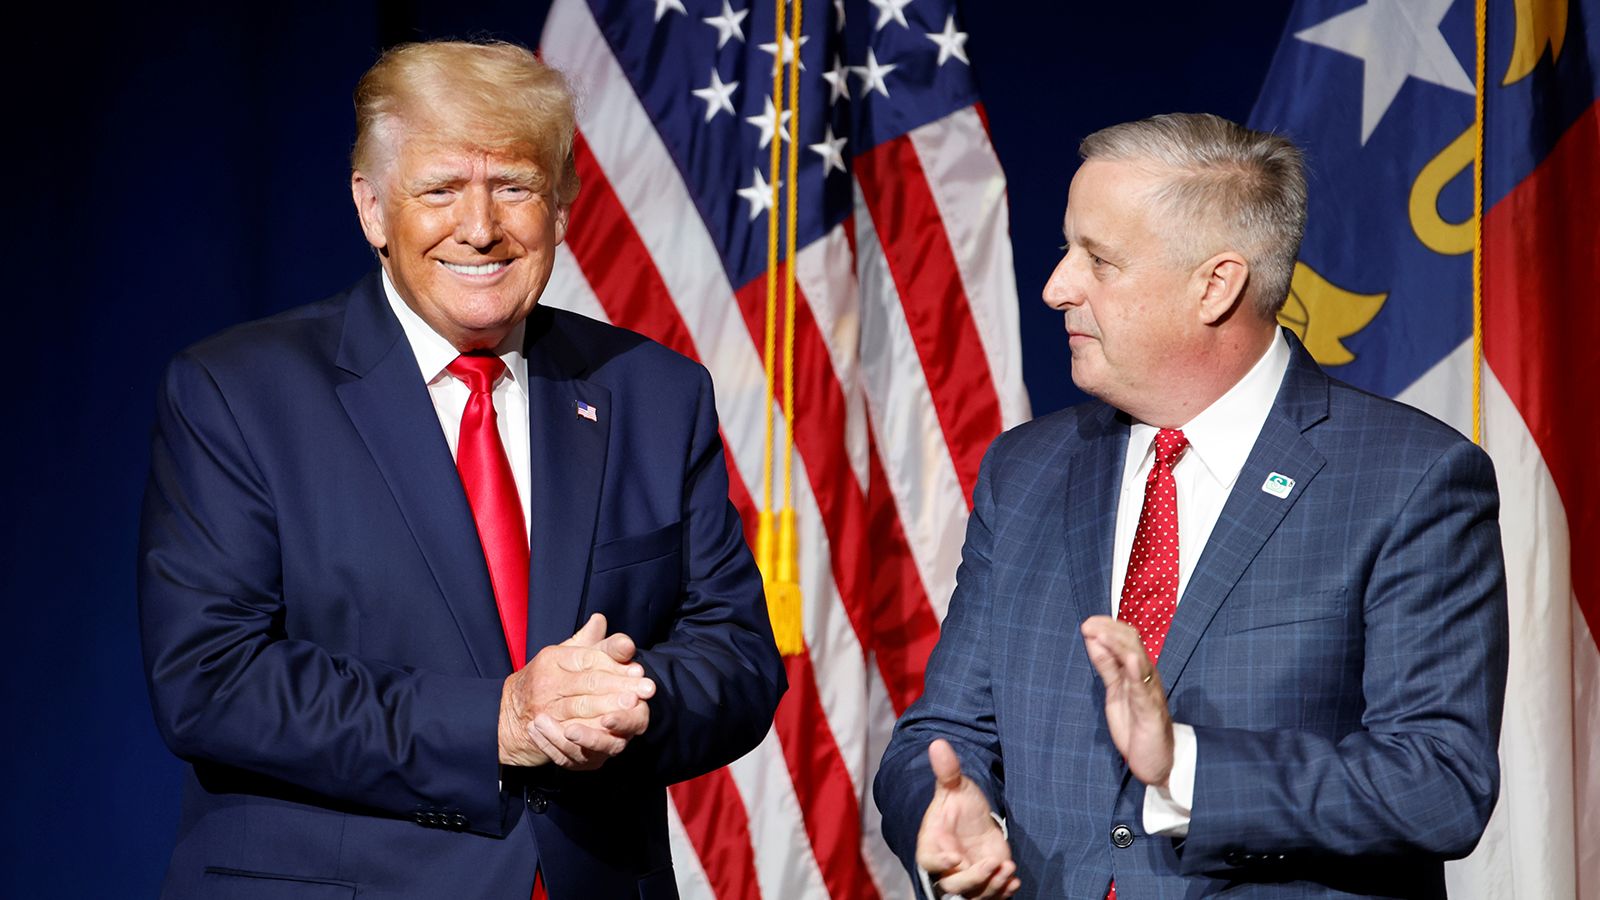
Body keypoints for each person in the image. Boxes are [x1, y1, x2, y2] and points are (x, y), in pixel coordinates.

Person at [138, 40, 785, 899]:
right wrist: (499, 722)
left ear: (560, 208)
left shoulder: (655, 393)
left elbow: (737, 654)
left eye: (514, 187)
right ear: (373, 209)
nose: (479, 228)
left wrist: (629, 702)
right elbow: (212, 679)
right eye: (440, 189)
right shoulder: (237, 394)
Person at [873, 113, 1508, 899]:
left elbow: (1440, 784)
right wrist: (942, 818)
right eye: (1068, 249)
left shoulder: (1412, 478)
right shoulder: (1026, 468)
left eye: (1098, 260)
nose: (1056, 286)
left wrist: (1186, 768)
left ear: (1216, 284)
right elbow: (946, 732)